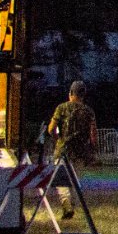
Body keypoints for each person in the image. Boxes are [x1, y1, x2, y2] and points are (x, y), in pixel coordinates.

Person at [45, 81, 97, 215]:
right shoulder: (89, 111)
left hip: (63, 149)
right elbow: (93, 134)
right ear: (83, 95)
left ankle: (66, 202)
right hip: (80, 151)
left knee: (61, 179)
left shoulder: (62, 108)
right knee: (74, 179)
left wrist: (58, 138)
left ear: (71, 93)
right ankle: (71, 205)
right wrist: (92, 149)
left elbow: (51, 129)